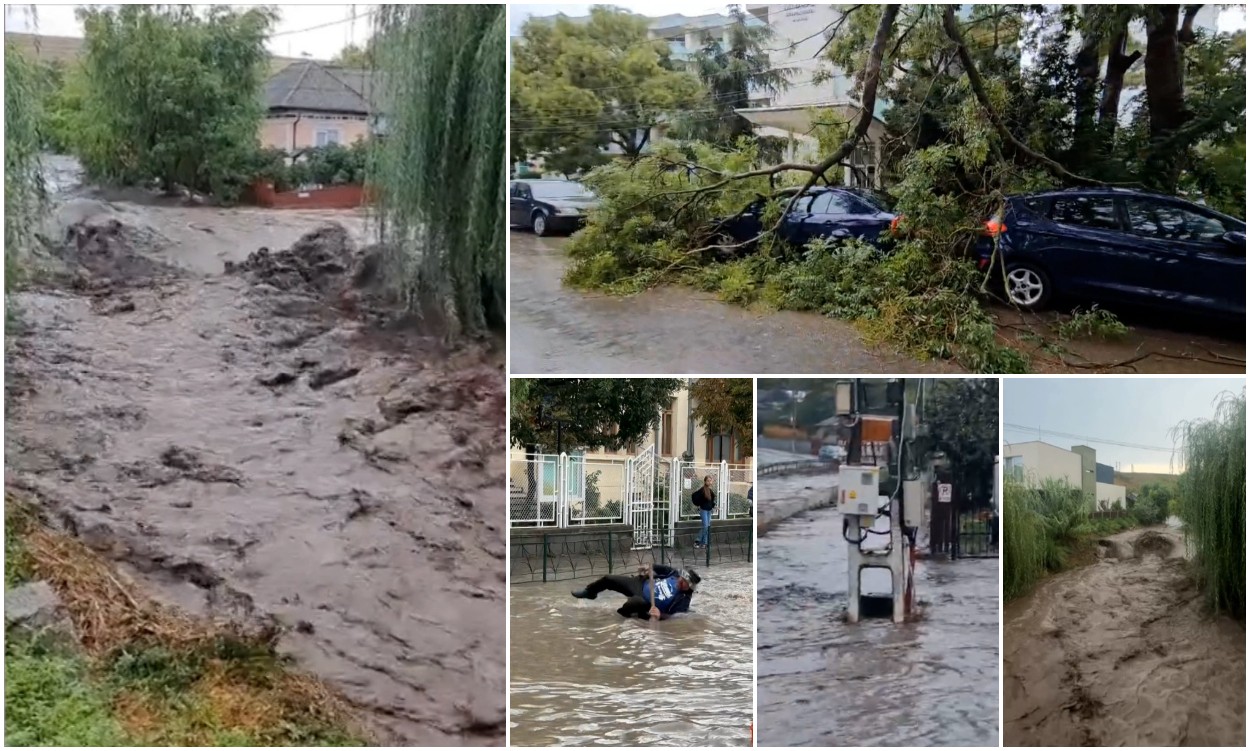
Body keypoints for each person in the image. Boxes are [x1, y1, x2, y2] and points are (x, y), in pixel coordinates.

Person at [571, 565, 700, 620]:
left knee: (633, 604)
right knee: (609, 579)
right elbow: (656, 567)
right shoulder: (674, 573)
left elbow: (674, 617)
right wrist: (647, 569)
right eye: (680, 579)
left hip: (646, 603)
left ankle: (623, 617)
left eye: (683, 583)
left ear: (688, 587)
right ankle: (590, 592)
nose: (679, 582)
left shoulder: (683, 600)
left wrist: (660, 615)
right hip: (640, 584)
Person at [692, 475, 716, 549]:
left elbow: (711, 501)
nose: (709, 482)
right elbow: (694, 496)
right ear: (705, 481)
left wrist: (714, 506)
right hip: (703, 510)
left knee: (707, 527)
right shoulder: (702, 490)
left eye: (710, 480)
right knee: (705, 526)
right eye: (708, 480)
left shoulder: (710, 490)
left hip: (709, 511)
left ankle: (704, 543)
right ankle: (697, 541)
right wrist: (698, 504)